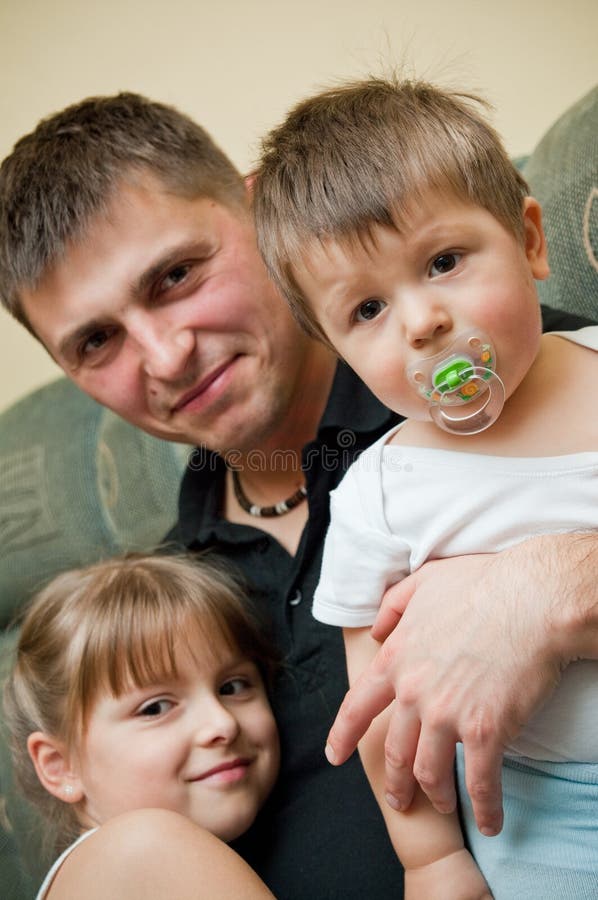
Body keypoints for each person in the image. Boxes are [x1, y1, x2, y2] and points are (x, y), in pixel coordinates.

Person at [0, 90, 595, 899]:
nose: (167, 354)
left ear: (261, 221)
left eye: (176, 276)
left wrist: (547, 586)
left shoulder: (502, 372)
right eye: (97, 341)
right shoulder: (173, 597)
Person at [253, 75, 598, 898]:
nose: (421, 321)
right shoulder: (380, 491)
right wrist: (433, 860)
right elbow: (379, 703)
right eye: (367, 309)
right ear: (337, 347)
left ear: (530, 240)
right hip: (539, 815)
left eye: (443, 262)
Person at [4, 553, 280, 900]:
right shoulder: (147, 844)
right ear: (61, 766)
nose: (222, 723)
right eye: (156, 708)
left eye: (233, 687)